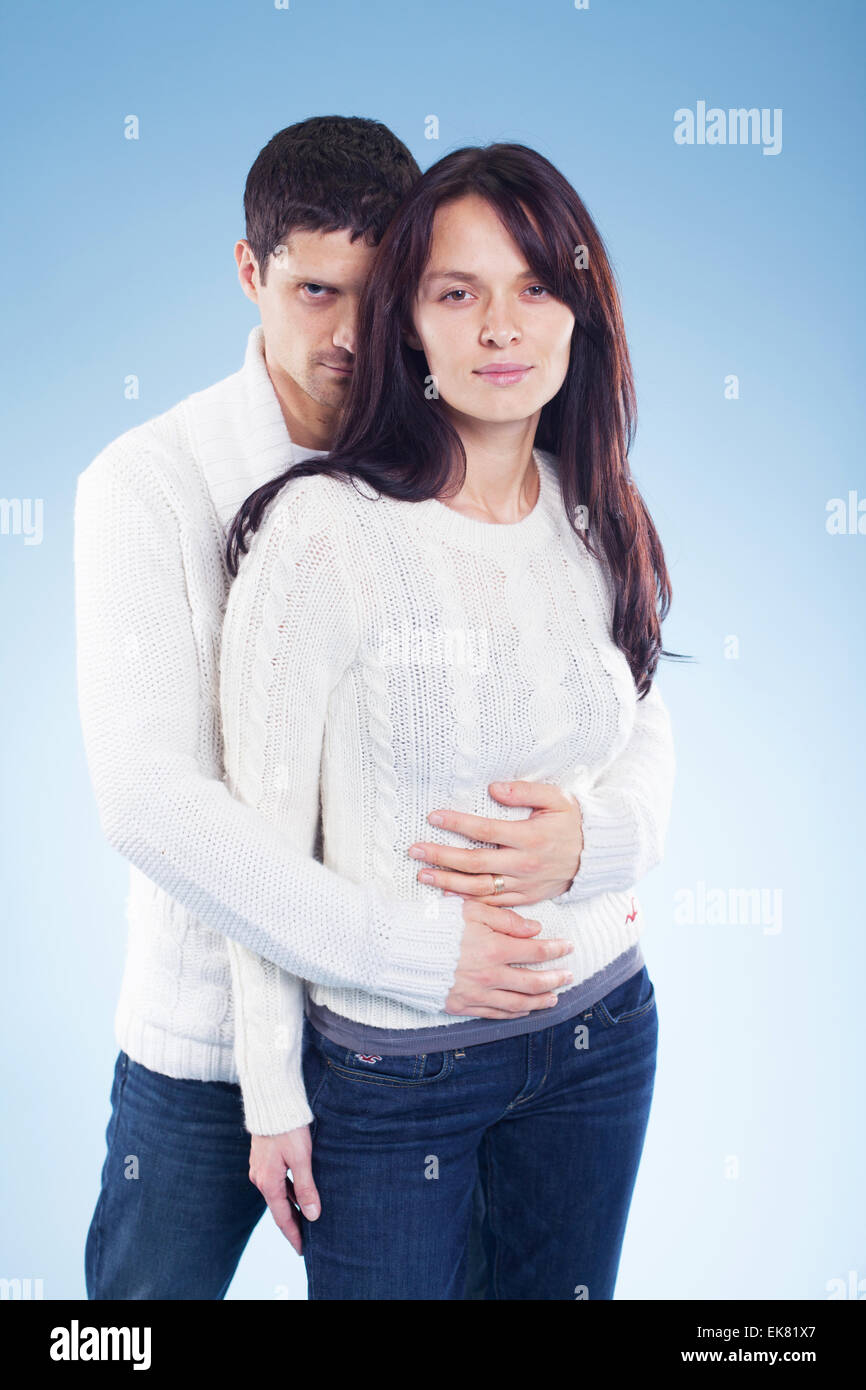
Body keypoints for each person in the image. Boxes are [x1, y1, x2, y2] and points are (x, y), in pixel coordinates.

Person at [74, 117, 587, 1301]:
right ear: (247, 272)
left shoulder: (464, 445)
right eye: (313, 290)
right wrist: (410, 955)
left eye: (379, 292)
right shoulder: (148, 483)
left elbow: (597, 675)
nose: (351, 333)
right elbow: (150, 801)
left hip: (415, 1047)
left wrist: (583, 838)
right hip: (212, 1049)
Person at [220, 141, 678, 1300]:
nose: (499, 328)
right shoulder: (322, 533)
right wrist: (271, 1096)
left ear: (581, 314)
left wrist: (595, 842)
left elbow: (641, 736)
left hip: (597, 1037)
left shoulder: (593, 510)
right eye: (456, 292)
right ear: (407, 326)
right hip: (393, 1071)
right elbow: (252, 844)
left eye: (535, 287)